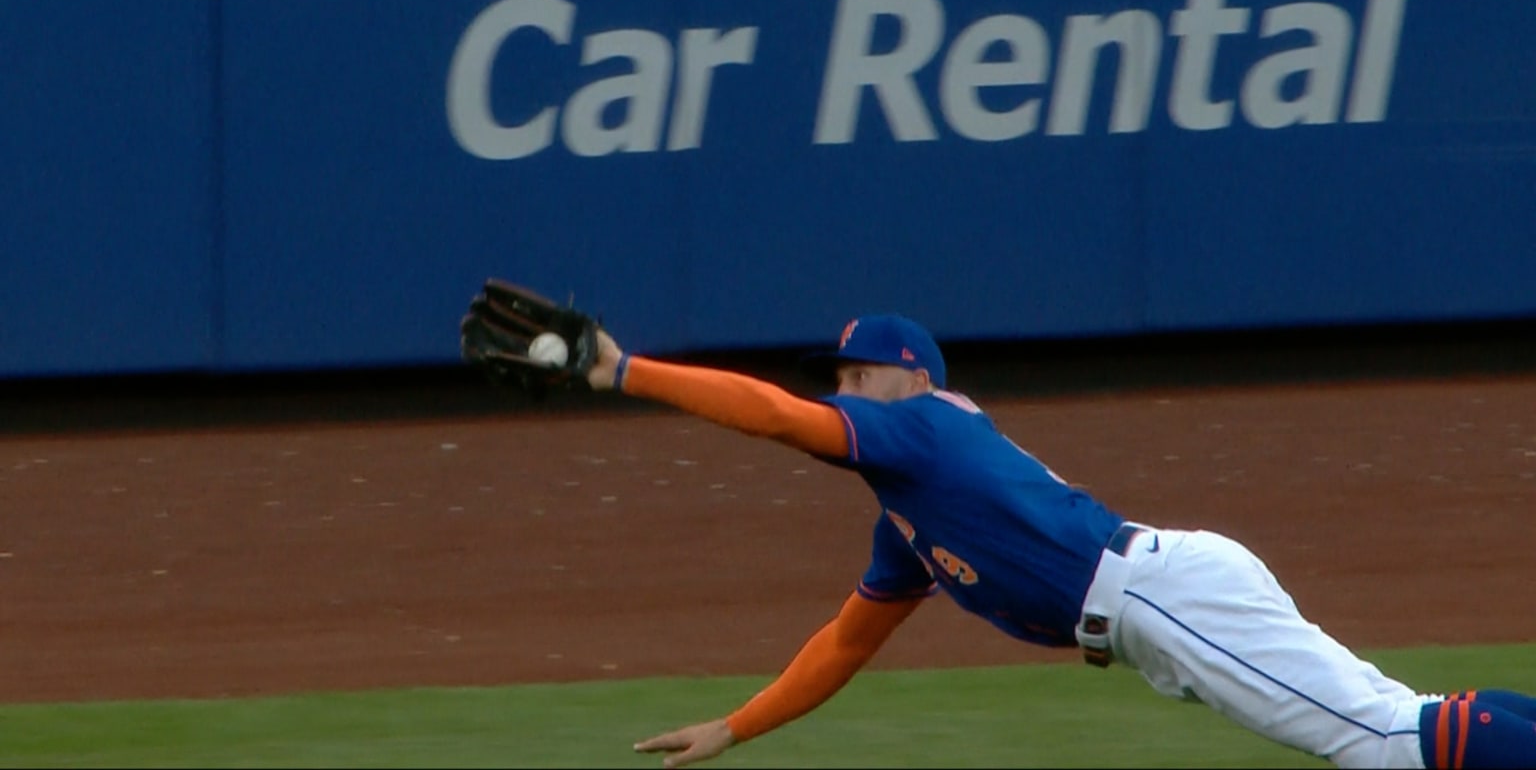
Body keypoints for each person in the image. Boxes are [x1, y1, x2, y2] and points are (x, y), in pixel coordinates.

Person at [579, 314, 1536, 769]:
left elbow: (779, 419)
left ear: (907, 377)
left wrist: (628, 373)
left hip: (1165, 598)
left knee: (1386, 744)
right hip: (1159, 611)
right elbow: (845, 643)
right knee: (1396, 717)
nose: (838, 389)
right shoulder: (903, 515)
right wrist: (736, 727)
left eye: (852, 373)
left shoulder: (922, 428)